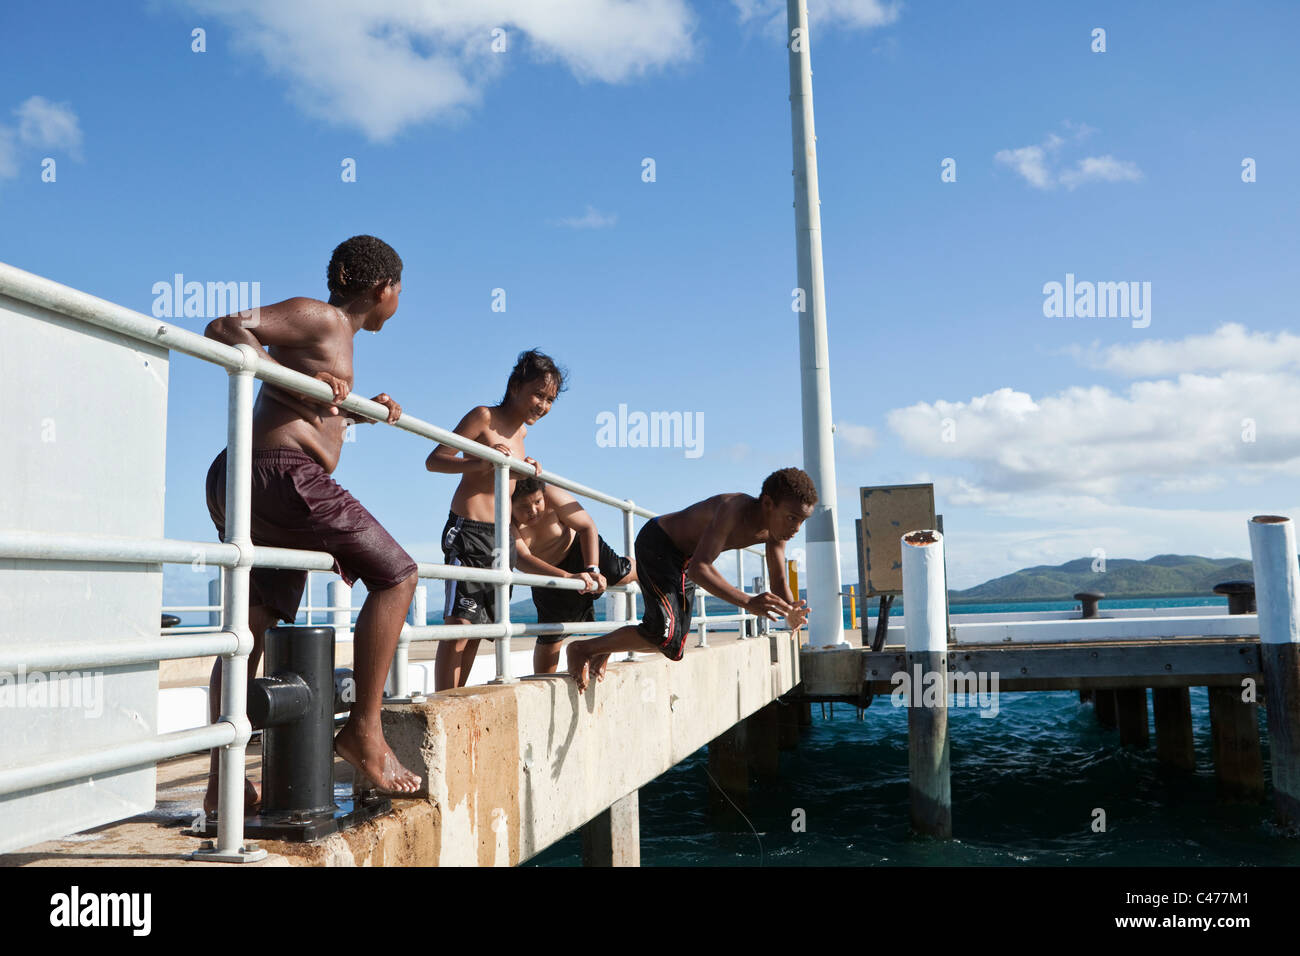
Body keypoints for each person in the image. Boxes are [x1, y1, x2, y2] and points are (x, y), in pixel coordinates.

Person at [202, 234, 422, 809]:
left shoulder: (336, 337)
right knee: (398, 576)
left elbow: (312, 404)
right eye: (401, 292)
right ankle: (363, 731)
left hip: (251, 477)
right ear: (385, 288)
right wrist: (287, 379)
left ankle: (220, 784)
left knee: (246, 631)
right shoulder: (319, 315)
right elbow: (224, 327)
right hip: (281, 475)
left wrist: (359, 410)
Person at [565, 467, 816, 692]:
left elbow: (779, 581)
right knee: (664, 632)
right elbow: (700, 569)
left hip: (686, 559)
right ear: (768, 504)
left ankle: (605, 646)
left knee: (673, 647)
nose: (796, 528)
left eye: (802, 521)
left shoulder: (777, 532)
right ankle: (581, 649)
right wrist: (748, 601)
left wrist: (791, 610)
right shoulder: (733, 509)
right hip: (658, 543)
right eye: (792, 518)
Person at [425, 349, 563, 689]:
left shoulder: (522, 436)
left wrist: (528, 468)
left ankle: (456, 697)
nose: (542, 405)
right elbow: (436, 460)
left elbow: (511, 486)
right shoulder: (483, 416)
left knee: (480, 628)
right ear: (516, 385)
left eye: (549, 400)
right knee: (460, 624)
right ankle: (443, 700)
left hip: (500, 539)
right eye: (537, 394)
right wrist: (481, 461)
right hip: (468, 529)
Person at [510, 476, 637, 674]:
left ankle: (636, 565)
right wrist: (567, 577)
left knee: (618, 573)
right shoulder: (506, 521)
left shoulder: (553, 495)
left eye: (537, 502)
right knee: (550, 632)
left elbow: (587, 527)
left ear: (542, 494)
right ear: (510, 504)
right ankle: (543, 682)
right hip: (547, 569)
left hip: (580, 548)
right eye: (524, 507)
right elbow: (522, 559)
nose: (533, 510)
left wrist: (592, 568)